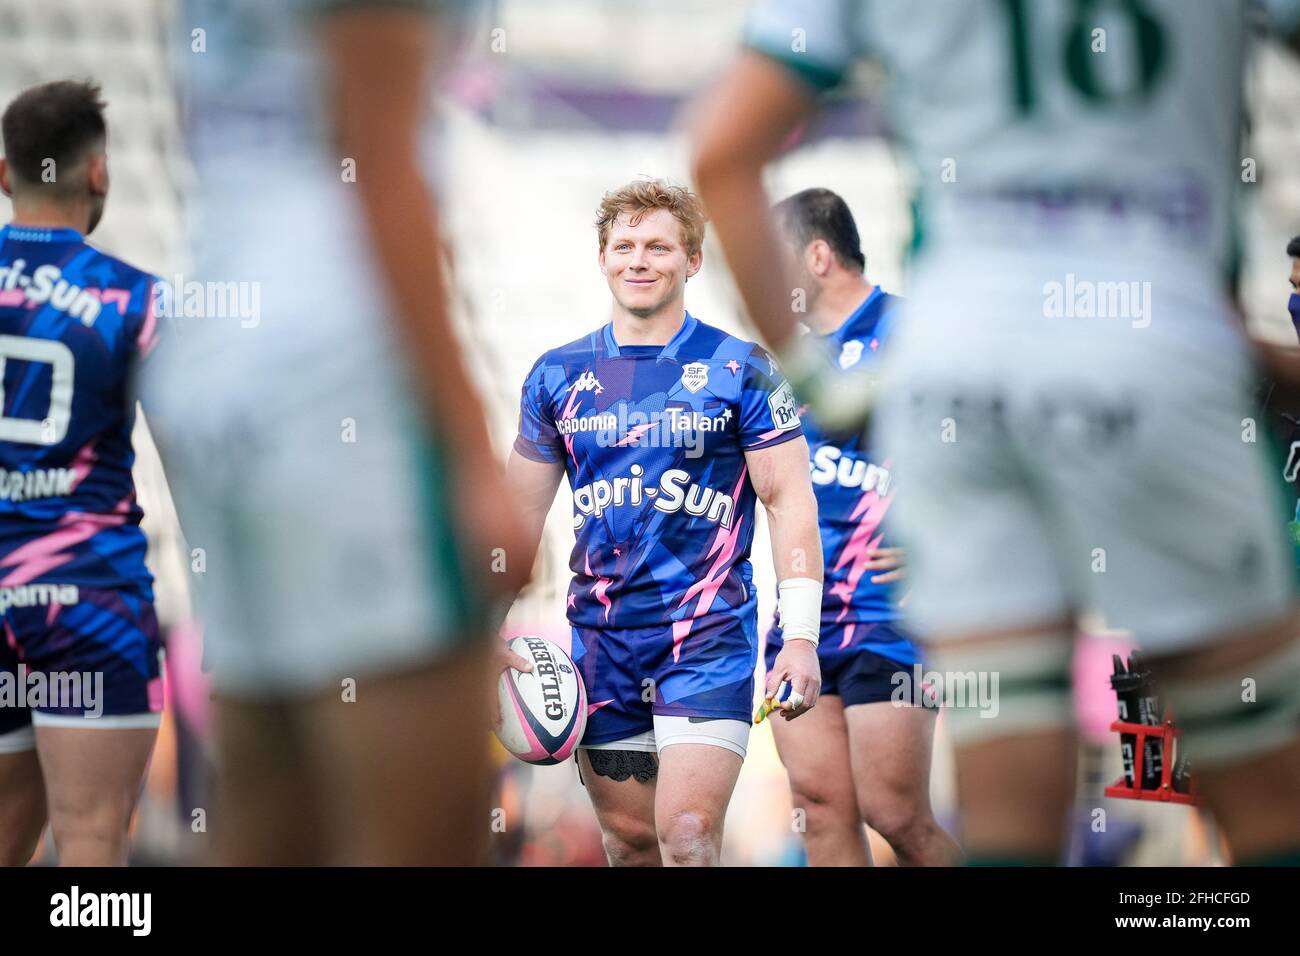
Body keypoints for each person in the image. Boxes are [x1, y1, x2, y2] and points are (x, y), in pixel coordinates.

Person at [693, 0, 1300, 865]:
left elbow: (720, 150)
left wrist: (816, 381)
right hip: (1159, 346)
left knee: (1003, 818)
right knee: (1268, 804)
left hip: (964, 372)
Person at [143, 0, 527, 864]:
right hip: (343, 373)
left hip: (212, 357)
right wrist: (472, 446)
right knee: (420, 839)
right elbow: (379, 162)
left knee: (273, 818)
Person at [505, 179, 822, 866]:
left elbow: (790, 501)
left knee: (686, 835)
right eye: (624, 246)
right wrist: (484, 633)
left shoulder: (743, 370)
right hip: (602, 643)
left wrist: (800, 639)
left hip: (707, 640)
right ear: (602, 258)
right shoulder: (555, 377)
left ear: (693, 261)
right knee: (630, 842)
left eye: (658, 246)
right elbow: (519, 517)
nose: (639, 260)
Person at [763, 187, 958, 866]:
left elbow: (982, 447)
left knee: (897, 813)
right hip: (801, 621)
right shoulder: (779, 363)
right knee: (819, 816)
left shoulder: (917, 333)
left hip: (888, 614)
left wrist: (937, 542)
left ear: (816, 256)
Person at [0, 80, 163, 866]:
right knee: (93, 839)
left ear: (5, 174)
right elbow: (193, 461)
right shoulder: (137, 299)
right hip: (89, 597)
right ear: (98, 173)